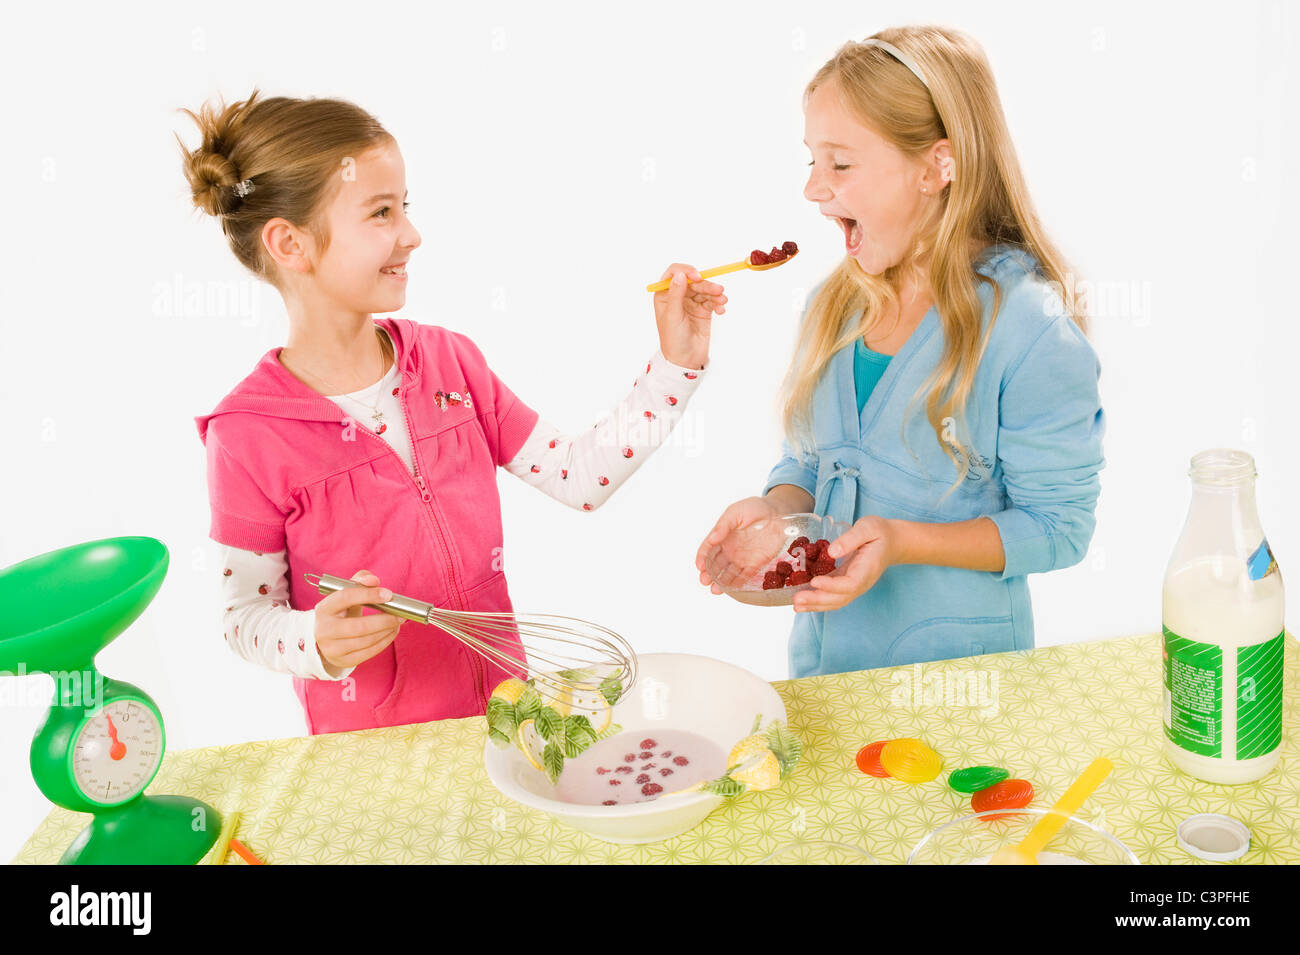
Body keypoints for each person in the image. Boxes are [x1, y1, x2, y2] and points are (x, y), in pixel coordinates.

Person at [181, 89, 726, 733]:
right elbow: (244, 615)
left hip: (506, 723)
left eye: (404, 207)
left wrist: (676, 365)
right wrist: (313, 642)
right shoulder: (248, 436)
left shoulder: (450, 364)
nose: (411, 234)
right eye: (381, 213)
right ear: (289, 243)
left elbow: (580, 477)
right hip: (375, 757)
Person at [696, 26, 1105, 677]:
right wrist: (774, 511)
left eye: (841, 163)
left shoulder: (1026, 326)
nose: (812, 188)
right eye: (811, 161)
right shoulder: (831, 306)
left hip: (965, 690)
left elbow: (1060, 529)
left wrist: (903, 541)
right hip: (830, 681)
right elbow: (808, 458)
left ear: (936, 167)